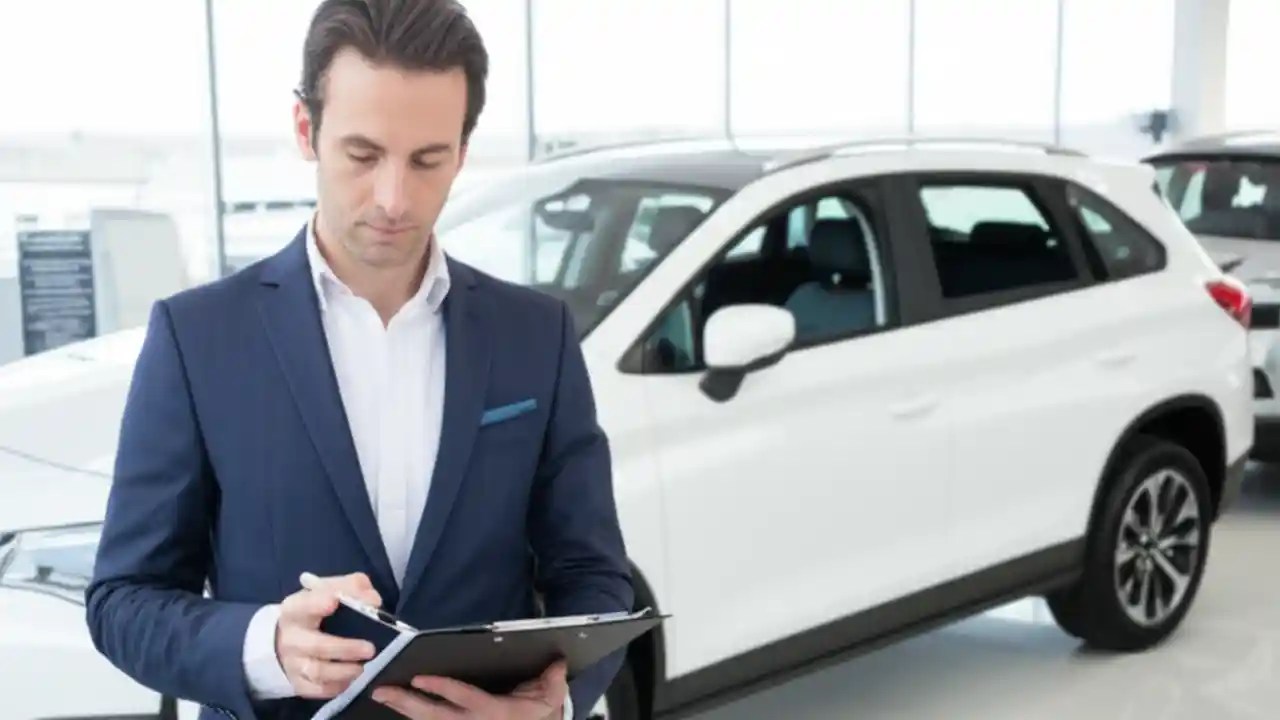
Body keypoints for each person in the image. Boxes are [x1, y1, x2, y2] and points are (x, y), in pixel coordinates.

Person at [84, 1, 633, 718]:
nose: (393, 199)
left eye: (428, 160)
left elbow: (592, 573)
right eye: (363, 155)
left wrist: (556, 703)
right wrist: (266, 646)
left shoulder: (537, 336)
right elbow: (123, 601)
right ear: (306, 130)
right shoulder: (198, 339)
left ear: (463, 151)